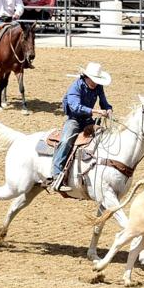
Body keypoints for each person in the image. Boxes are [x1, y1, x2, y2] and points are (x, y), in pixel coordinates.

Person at [49, 62, 113, 193]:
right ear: (87, 77)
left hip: (88, 120)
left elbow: (104, 102)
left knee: (104, 137)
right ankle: (56, 174)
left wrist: (108, 109)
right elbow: (75, 107)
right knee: (66, 141)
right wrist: (95, 111)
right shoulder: (75, 87)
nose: (96, 83)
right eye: (94, 80)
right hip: (75, 120)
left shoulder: (98, 87)